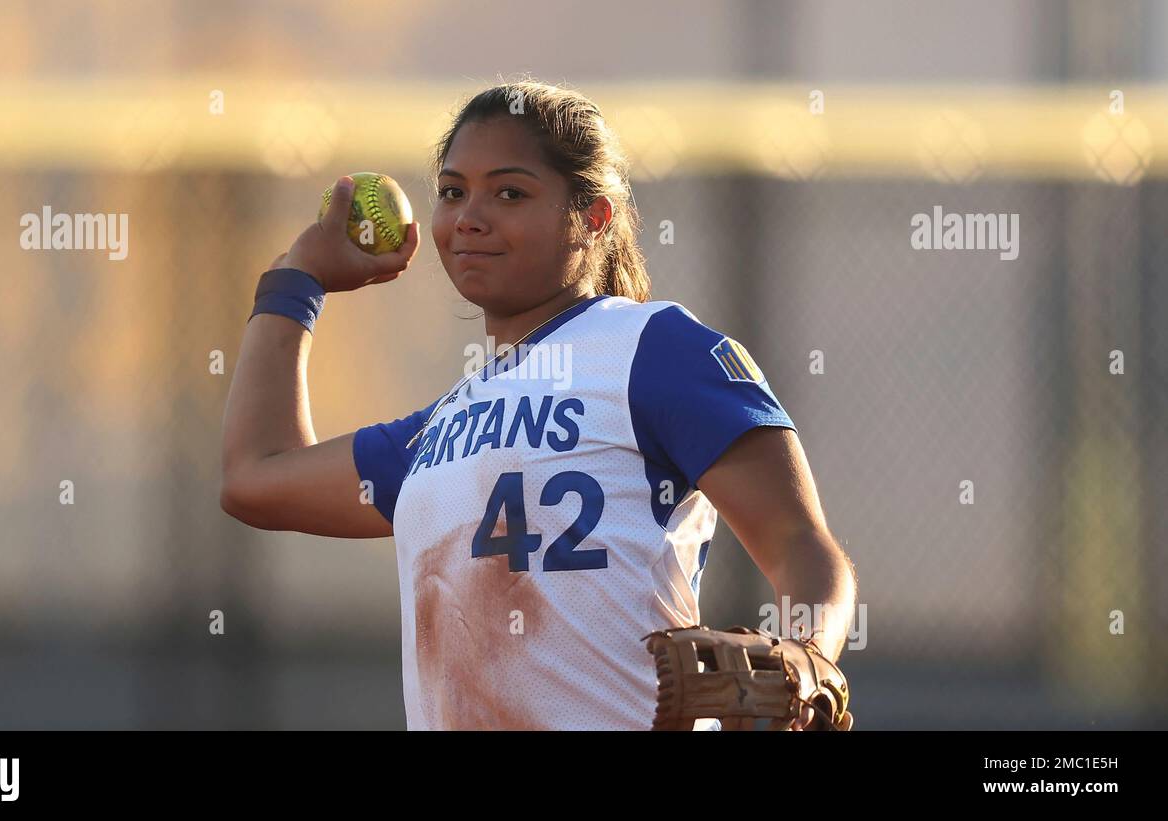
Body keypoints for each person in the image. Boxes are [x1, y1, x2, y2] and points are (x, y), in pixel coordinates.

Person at [220, 80, 857, 731]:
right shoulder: (440, 430)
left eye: (509, 192)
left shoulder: (652, 349)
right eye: (452, 191)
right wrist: (296, 279)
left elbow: (799, 542)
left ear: (595, 217)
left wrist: (809, 651)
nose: (470, 215)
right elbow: (255, 477)